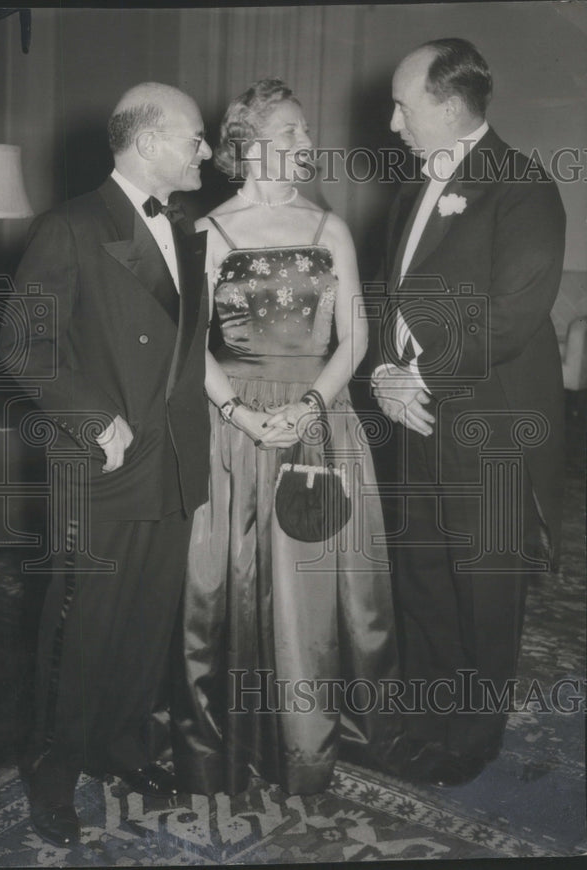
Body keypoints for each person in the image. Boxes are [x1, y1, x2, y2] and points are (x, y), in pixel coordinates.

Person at [170, 78, 399, 796]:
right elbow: (189, 347)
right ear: (249, 142)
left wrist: (309, 405)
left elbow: (354, 333)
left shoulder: (329, 227)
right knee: (220, 588)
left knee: (311, 595)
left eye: (306, 132)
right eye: (294, 131)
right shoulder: (207, 234)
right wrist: (240, 413)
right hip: (230, 425)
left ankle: (309, 745)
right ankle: (222, 745)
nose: (308, 143)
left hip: (317, 422)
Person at [0, 82, 212, 846]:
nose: (206, 151)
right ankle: (53, 775)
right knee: (78, 627)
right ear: (150, 140)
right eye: (194, 137)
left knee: (147, 623)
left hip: (176, 462)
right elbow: (24, 345)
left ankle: (122, 747)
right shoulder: (72, 225)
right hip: (101, 466)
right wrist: (96, 420)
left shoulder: (186, 229)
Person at [371, 38, 566, 787]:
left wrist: (416, 376)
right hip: (418, 420)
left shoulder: (521, 185)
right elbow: (391, 302)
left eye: (402, 104)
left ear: (449, 106)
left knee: (482, 586)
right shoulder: (409, 189)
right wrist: (388, 375)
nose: (392, 123)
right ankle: (423, 715)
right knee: (421, 572)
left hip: (488, 427)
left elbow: (511, 316)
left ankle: (471, 738)